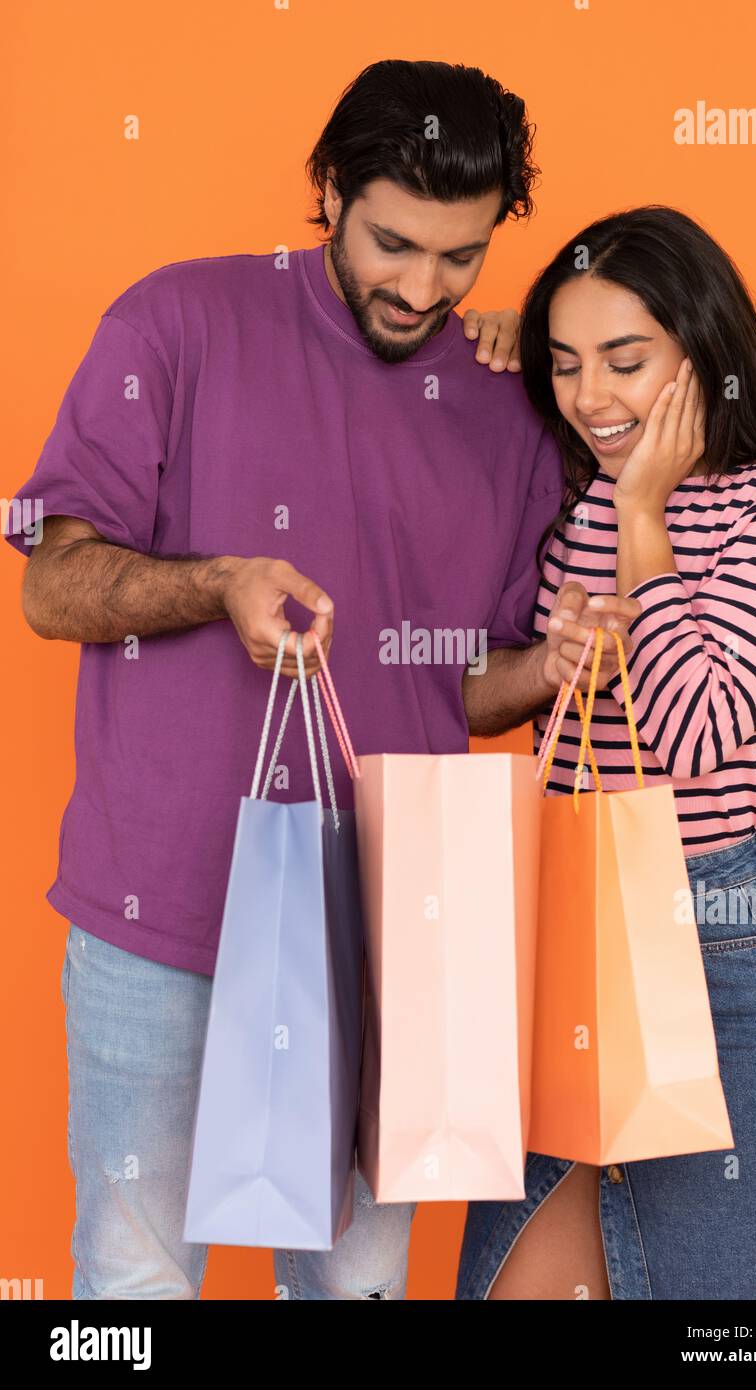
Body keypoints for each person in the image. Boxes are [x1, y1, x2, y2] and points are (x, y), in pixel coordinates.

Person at [3, 59, 633, 1301]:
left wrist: (549, 666)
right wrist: (218, 580)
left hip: (390, 926)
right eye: (393, 243)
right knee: (129, 1274)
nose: (421, 289)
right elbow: (49, 588)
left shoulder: (510, 407)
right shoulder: (173, 323)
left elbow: (458, 692)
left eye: (459, 259)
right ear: (329, 191)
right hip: (158, 912)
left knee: (358, 1285)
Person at [456, 205, 756, 1300]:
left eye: (624, 361)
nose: (589, 396)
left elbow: (696, 733)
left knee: (709, 1307)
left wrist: (639, 520)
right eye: (566, 364)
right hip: (566, 912)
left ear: (700, 351)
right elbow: (478, 693)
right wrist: (482, 343)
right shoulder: (562, 485)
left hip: (717, 931)